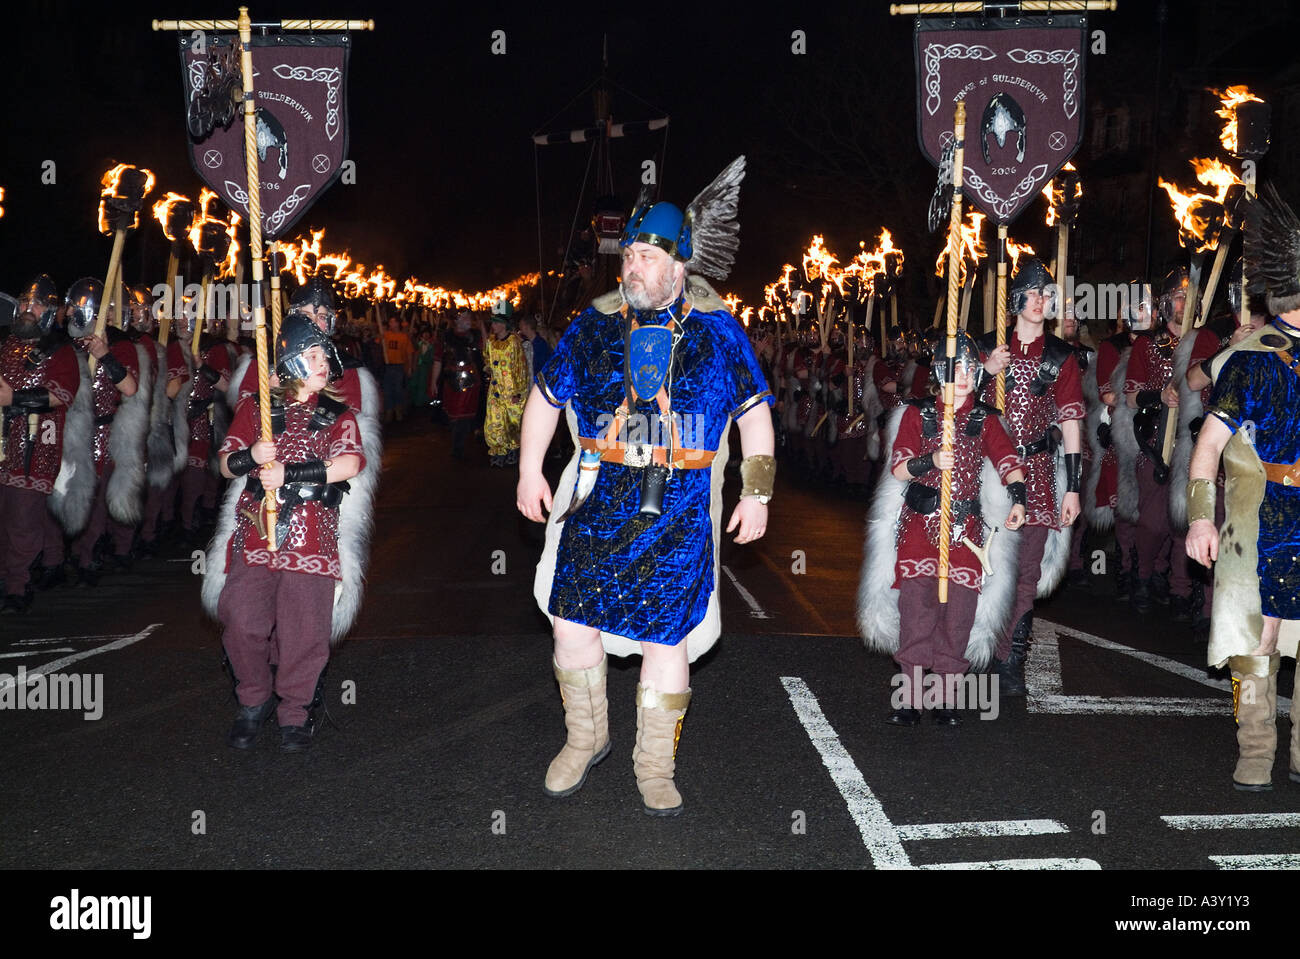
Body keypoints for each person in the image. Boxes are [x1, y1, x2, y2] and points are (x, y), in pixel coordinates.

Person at [517, 156, 774, 815]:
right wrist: (528, 471)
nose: (630, 266)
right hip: (598, 504)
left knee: (668, 640)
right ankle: (586, 738)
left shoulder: (720, 333)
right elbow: (546, 398)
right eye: (627, 254)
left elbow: (755, 414)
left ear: (679, 266)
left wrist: (756, 491)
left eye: (644, 257)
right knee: (570, 624)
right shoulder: (594, 325)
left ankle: (654, 764)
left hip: (677, 513)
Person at [1186, 184, 1300, 790]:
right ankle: (1256, 751)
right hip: (1266, 513)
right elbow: (1207, 445)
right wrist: (1202, 517)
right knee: (1262, 634)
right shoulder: (1254, 357)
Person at [208, 314, 365, 751]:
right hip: (257, 531)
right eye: (312, 356)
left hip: (311, 535)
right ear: (290, 363)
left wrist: (289, 473)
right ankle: (252, 699)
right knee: (240, 618)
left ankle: (295, 710)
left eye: (322, 355)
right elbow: (224, 463)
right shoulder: (254, 409)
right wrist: (252, 455)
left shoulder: (340, 414)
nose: (322, 363)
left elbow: (349, 464)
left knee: (303, 630)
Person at [859, 331, 1026, 725]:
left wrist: (1018, 498)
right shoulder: (918, 414)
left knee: (958, 618)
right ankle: (910, 697)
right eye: (956, 369)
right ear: (939, 372)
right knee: (917, 615)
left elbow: (1008, 460)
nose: (965, 375)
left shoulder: (984, 419)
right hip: (920, 529)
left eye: (970, 367)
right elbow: (899, 467)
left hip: (966, 533)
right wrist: (931, 459)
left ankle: (947, 696)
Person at [977, 256, 1084, 695]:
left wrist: (1073, 486)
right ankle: (970, 652)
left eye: (1047, 294)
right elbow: (949, 405)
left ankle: (1009, 661)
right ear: (1015, 296)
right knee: (980, 565)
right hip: (986, 472)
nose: (1041, 301)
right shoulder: (984, 347)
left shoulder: (1061, 356)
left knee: (1025, 573)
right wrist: (987, 374)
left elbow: (1073, 422)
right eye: (1033, 293)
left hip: (1038, 472)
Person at [0, 276, 84, 612]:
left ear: (50, 312)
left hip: (37, 444)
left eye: (35, 304)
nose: (27, 309)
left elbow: (60, 395)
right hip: (2, 444)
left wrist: (13, 398)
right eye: (23, 303)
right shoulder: (3, 345)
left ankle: (18, 585)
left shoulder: (59, 351)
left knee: (23, 520)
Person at [481, 300, 527, 467]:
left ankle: (513, 451)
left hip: (511, 389)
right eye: (492, 321)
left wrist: (518, 392)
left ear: (504, 324)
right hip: (495, 390)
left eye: (496, 322)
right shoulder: (491, 342)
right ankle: (498, 451)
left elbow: (521, 367)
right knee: (494, 421)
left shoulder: (514, 342)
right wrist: (488, 368)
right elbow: (487, 358)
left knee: (512, 422)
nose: (493, 325)